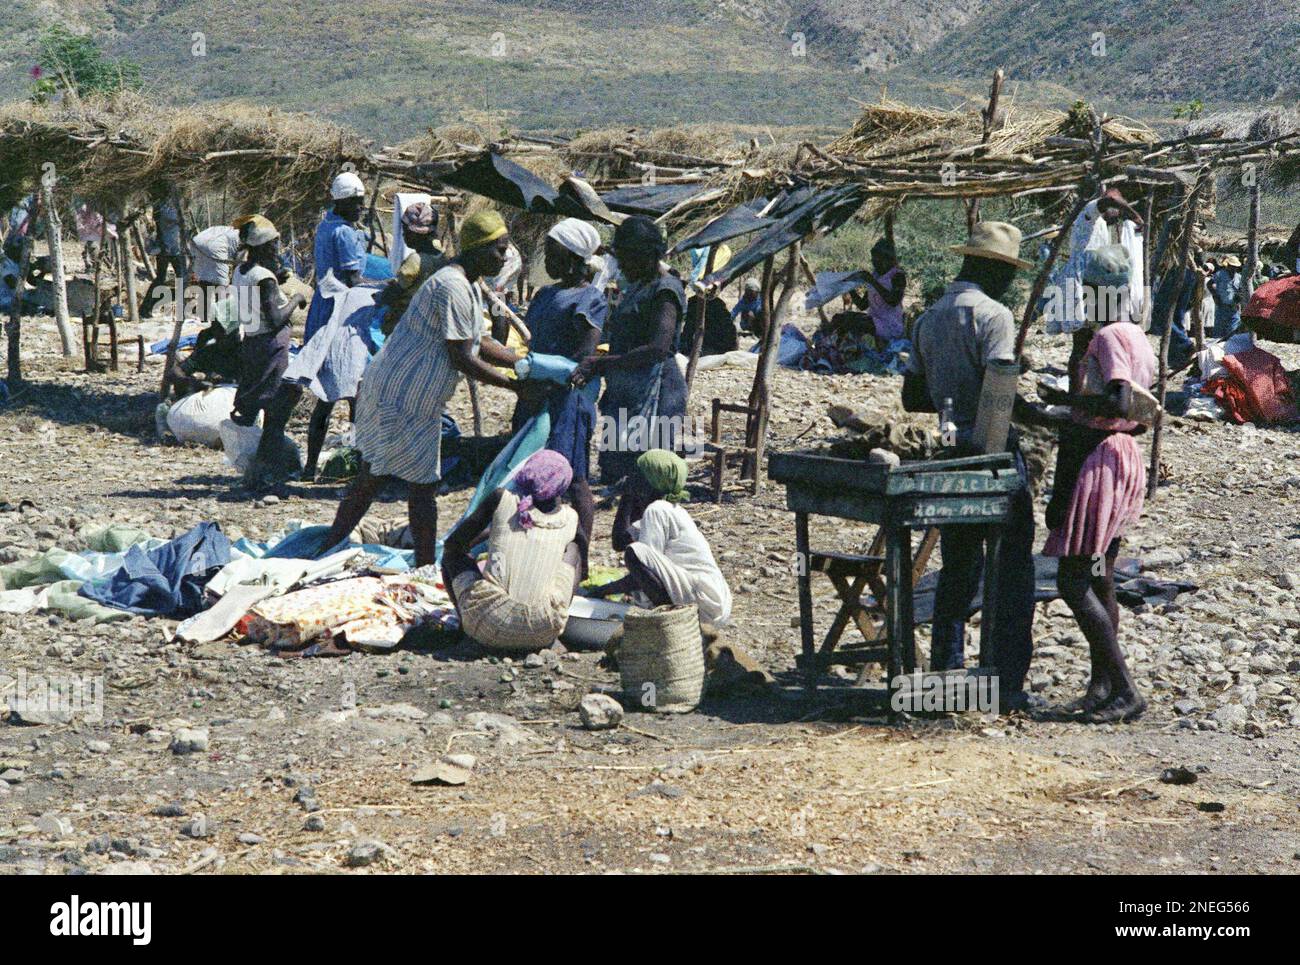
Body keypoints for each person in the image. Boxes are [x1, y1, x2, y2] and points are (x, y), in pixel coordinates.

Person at [321, 210, 522, 567]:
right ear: (477, 248)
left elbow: (479, 340)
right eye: (498, 249)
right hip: (399, 395)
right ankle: (422, 566)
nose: (503, 256)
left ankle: (342, 546)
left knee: (395, 479)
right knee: (399, 480)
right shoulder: (452, 285)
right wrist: (514, 386)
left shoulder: (469, 284)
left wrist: (522, 363)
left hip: (415, 399)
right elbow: (461, 355)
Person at [902, 221, 1039, 712]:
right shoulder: (994, 315)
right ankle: (1002, 681)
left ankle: (945, 671)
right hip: (991, 457)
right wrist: (1038, 413)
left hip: (949, 451)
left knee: (959, 565)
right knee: (1011, 569)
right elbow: (999, 395)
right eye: (1007, 275)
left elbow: (912, 394)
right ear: (994, 270)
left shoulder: (928, 317)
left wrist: (949, 395)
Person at [1037, 245, 1156, 723]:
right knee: (1101, 575)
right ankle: (1102, 684)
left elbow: (1121, 399)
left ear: (1094, 290)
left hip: (1101, 454)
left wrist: (1064, 404)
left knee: (1070, 578)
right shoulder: (1136, 334)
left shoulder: (1108, 337)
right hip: (1124, 454)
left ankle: (1125, 687)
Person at [509, 218, 607, 574]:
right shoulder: (544, 296)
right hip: (536, 396)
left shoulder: (589, 299)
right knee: (529, 472)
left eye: (552, 254)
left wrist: (546, 381)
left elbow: (582, 357)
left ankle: (577, 558)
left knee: (573, 477)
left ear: (571, 257)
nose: (546, 261)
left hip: (566, 400)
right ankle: (533, 550)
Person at [571, 216, 688, 485]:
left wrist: (602, 364)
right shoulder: (638, 286)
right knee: (617, 472)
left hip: (657, 392)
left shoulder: (666, 289)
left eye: (626, 258)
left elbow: (657, 349)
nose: (621, 266)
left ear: (647, 256)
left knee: (649, 474)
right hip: (627, 389)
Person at [441, 450, 586, 654]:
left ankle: (467, 630)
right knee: (574, 550)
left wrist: (490, 536)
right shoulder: (571, 518)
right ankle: (555, 629)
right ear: (562, 487)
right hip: (543, 630)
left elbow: (453, 544)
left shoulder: (502, 498)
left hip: (488, 625)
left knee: (451, 556)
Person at [586, 450, 731, 626]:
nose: (632, 479)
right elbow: (620, 541)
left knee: (635, 554)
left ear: (650, 482)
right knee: (635, 552)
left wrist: (602, 591)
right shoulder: (670, 509)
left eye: (638, 475)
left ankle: (671, 622)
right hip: (712, 600)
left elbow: (642, 564)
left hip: (705, 601)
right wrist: (627, 496)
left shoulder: (658, 510)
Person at [1048, 187, 1145, 389]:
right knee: (1082, 343)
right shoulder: (1089, 213)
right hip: (1082, 284)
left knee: (1097, 339)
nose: (1117, 212)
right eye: (1115, 207)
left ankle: (1094, 388)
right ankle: (1077, 392)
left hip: (1097, 286)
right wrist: (1134, 214)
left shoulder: (1109, 227)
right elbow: (1109, 200)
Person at [228, 216, 306, 431]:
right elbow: (275, 320)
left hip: (252, 342)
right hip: (271, 345)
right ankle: (270, 441)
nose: (275, 249)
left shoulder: (241, 271)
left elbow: (255, 296)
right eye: (272, 245)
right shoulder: (264, 278)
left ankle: (256, 434)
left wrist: (274, 280)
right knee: (283, 394)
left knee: (257, 392)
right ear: (262, 246)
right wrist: (296, 299)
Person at [376, 202, 447, 331]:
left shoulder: (415, 261)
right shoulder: (441, 256)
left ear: (415, 233)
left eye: (406, 231)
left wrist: (380, 297)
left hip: (405, 323)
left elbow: (394, 293)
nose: (404, 235)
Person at [841, 238, 907, 346]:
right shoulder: (876, 275)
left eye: (877, 260)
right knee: (842, 318)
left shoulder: (897, 276)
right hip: (874, 320)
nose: (874, 263)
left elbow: (893, 301)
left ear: (886, 260)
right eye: (873, 260)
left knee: (857, 324)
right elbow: (863, 305)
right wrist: (849, 288)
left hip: (889, 325)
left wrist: (871, 281)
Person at [140, 191, 184, 319]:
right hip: (167, 249)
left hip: (174, 248)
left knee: (177, 278)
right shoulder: (163, 207)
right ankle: (146, 308)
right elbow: (170, 221)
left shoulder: (169, 206)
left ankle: (148, 307)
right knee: (164, 279)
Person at [682, 288, 738, 357]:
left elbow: (688, 328)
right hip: (715, 343)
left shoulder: (696, 303)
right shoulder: (718, 302)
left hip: (716, 345)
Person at [1211, 255, 1243, 339]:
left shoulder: (1239, 277)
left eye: (1235, 267)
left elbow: (1241, 289)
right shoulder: (1219, 274)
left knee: (1233, 330)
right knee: (1218, 332)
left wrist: (1239, 298)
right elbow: (1210, 284)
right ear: (1228, 266)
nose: (1234, 268)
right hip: (1222, 306)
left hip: (1234, 308)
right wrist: (1215, 296)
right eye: (1232, 266)